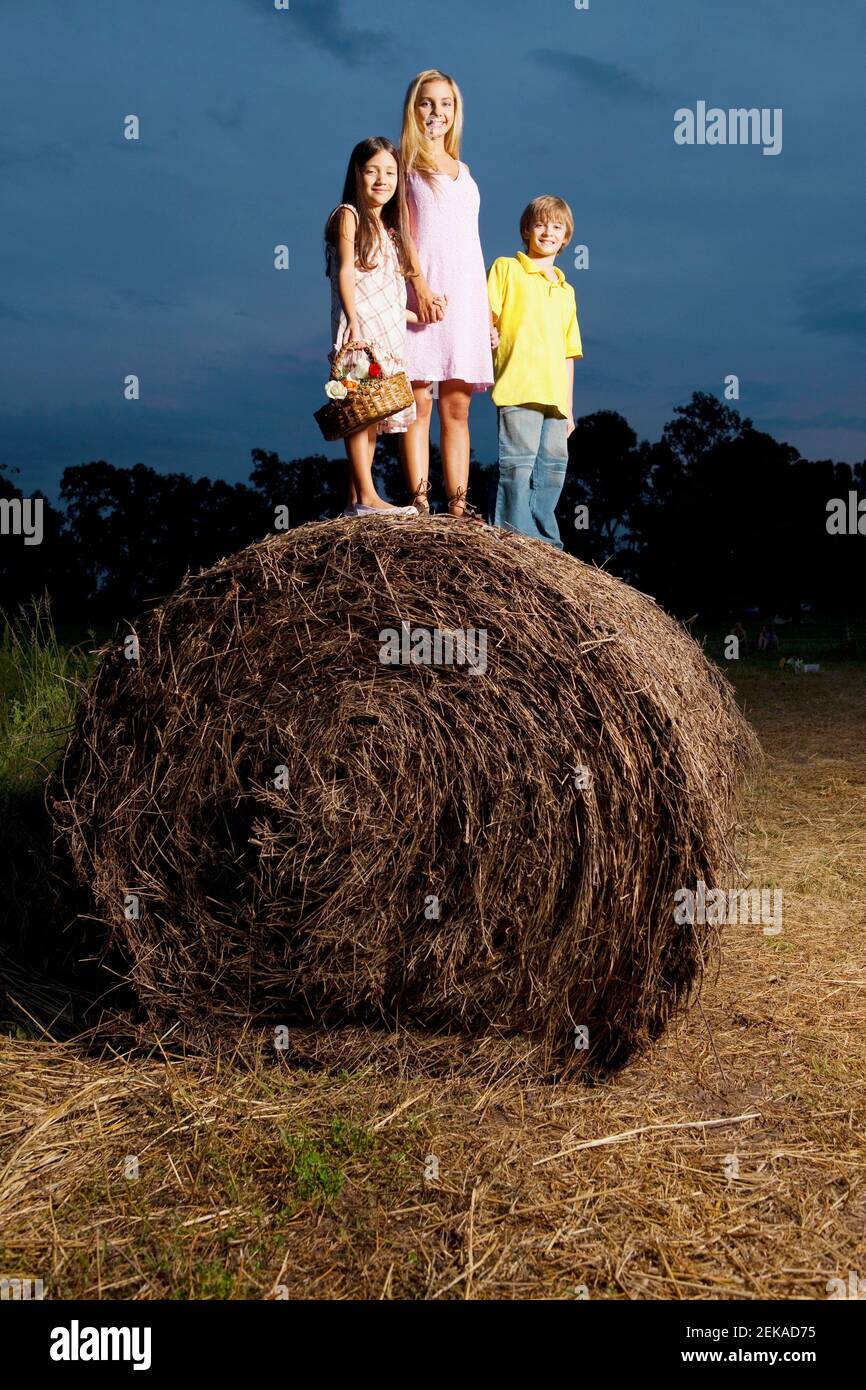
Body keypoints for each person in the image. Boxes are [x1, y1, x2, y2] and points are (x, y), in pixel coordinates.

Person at [399, 69, 496, 519]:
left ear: (456, 111)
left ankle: (458, 509)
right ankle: (419, 503)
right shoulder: (402, 163)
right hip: (424, 294)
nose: (437, 112)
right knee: (419, 399)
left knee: (457, 405)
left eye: (446, 104)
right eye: (427, 102)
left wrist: (485, 311)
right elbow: (400, 233)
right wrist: (418, 287)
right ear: (413, 108)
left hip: (465, 296)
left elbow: (468, 240)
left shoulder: (465, 170)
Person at [324, 137, 439, 517]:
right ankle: (368, 498)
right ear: (357, 174)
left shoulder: (387, 230)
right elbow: (345, 273)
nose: (381, 179)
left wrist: (415, 315)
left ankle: (354, 501)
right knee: (358, 411)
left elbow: (387, 293)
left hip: (386, 337)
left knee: (370, 414)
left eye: (389, 172)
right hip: (361, 332)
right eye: (372, 171)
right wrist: (353, 324)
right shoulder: (349, 216)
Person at [487, 196, 583, 547]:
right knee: (518, 466)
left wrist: (569, 408)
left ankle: (545, 541)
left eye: (556, 227)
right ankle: (515, 536)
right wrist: (488, 329)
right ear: (527, 229)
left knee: (552, 471)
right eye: (540, 224)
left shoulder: (566, 290)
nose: (548, 232)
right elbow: (487, 313)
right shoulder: (506, 269)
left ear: (566, 237)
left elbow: (569, 353)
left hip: (555, 396)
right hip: (519, 386)